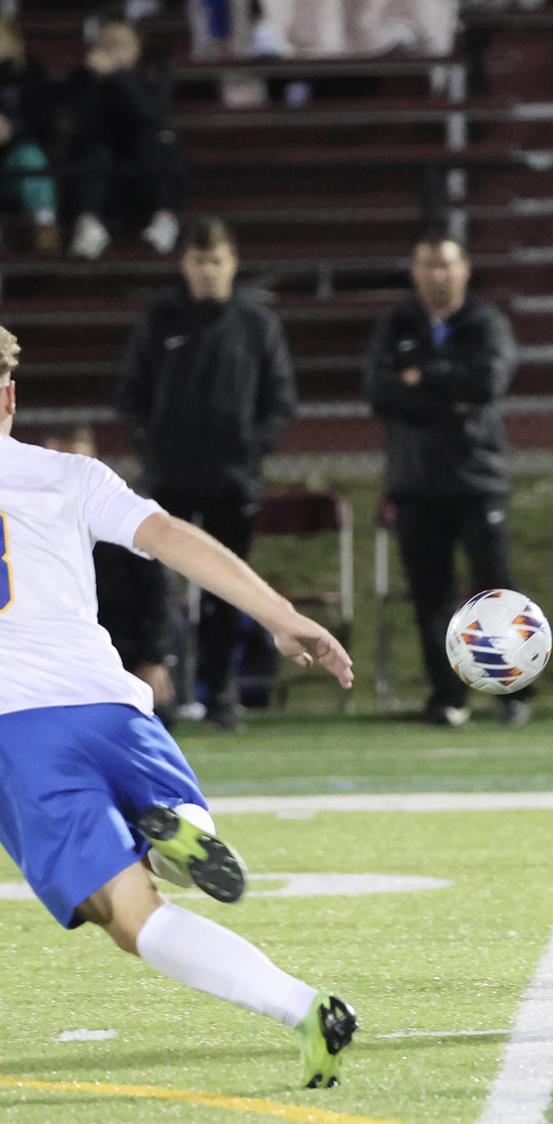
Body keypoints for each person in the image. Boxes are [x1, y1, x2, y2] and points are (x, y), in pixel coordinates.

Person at [0, 325, 357, 1089]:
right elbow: (167, 536)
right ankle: (183, 832)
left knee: (132, 918)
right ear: (9, 398)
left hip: (18, 733)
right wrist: (279, 614)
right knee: (162, 847)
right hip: (114, 706)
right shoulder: (69, 472)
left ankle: (302, 1006)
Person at [115, 216, 296, 732]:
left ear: (232, 263)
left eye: (216, 261)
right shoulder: (161, 320)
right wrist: (153, 446)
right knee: (155, 588)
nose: (207, 271)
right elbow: (130, 393)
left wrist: (251, 450)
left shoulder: (257, 324)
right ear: (185, 265)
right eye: (198, 261)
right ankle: (156, 691)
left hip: (231, 480)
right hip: (168, 478)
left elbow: (280, 398)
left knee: (227, 589)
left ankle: (219, 693)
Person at [364, 231, 529, 728]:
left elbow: (486, 383)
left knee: (494, 591)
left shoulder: (485, 323)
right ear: (414, 272)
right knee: (430, 596)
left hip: (476, 478)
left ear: (465, 270)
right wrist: (447, 395)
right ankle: (448, 695)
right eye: (428, 265)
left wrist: (420, 380)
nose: (437, 275)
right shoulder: (397, 325)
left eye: (446, 265)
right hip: (415, 480)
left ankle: (511, 692)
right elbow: (379, 391)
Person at [44, 425, 177, 718]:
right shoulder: (29, 517)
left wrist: (154, 657)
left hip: (124, 648)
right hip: (59, 653)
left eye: (72, 458)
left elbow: (160, 592)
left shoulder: (121, 511)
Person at [65, 18, 185, 260]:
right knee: (94, 148)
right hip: (104, 169)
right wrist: (95, 79)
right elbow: (82, 122)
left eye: (121, 44)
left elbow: (152, 115)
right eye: (107, 45)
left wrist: (118, 76)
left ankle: (165, 218)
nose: (114, 52)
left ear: (137, 48)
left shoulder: (155, 72)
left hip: (144, 167)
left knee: (162, 141)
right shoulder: (84, 77)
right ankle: (88, 224)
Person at [1, 14, 59, 254]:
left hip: (16, 162)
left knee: (29, 157)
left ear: (14, 40)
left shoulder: (31, 73)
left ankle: (45, 227)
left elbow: (46, 125)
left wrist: (12, 129)